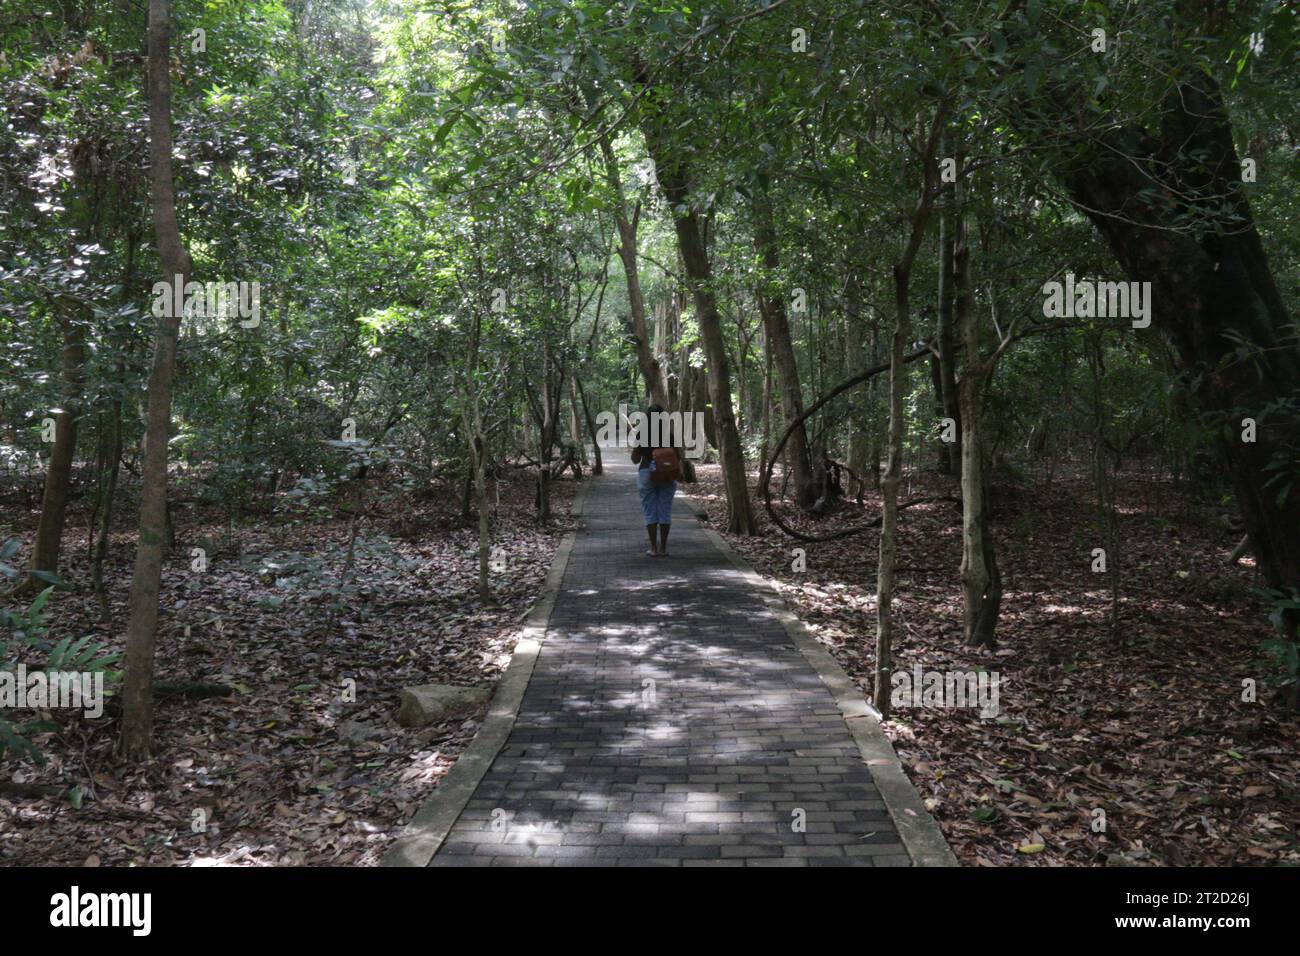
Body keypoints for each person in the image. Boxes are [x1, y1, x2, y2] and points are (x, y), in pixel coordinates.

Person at [631, 403, 679, 557]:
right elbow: (677, 456)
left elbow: (635, 459)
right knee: (665, 510)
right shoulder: (669, 435)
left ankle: (653, 548)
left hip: (646, 473)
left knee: (649, 510)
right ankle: (663, 548)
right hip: (667, 475)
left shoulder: (642, 434)